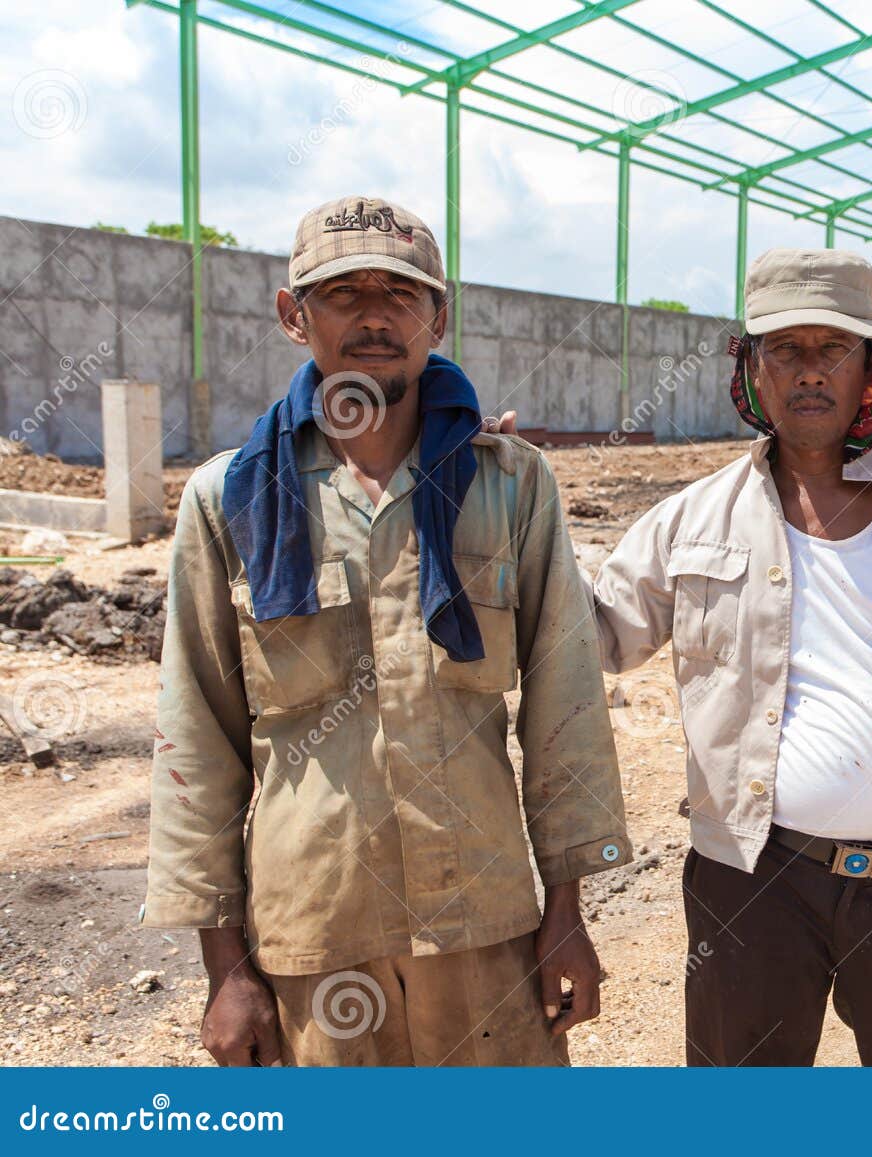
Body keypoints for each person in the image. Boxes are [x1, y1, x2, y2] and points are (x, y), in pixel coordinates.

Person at [142, 195, 632, 1066]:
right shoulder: (231, 501)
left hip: (483, 927)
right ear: (294, 315)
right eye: (343, 292)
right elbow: (197, 735)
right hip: (315, 937)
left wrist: (567, 911)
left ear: (438, 317)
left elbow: (566, 708)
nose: (375, 315)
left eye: (401, 293)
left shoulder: (509, 486)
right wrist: (225, 968)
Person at [586, 248, 872, 1065]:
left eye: (834, 348)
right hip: (747, 881)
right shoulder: (694, 518)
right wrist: (495, 503)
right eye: (785, 349)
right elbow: (593, 637)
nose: (810, 370)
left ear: (870, 366)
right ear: (753, 369)